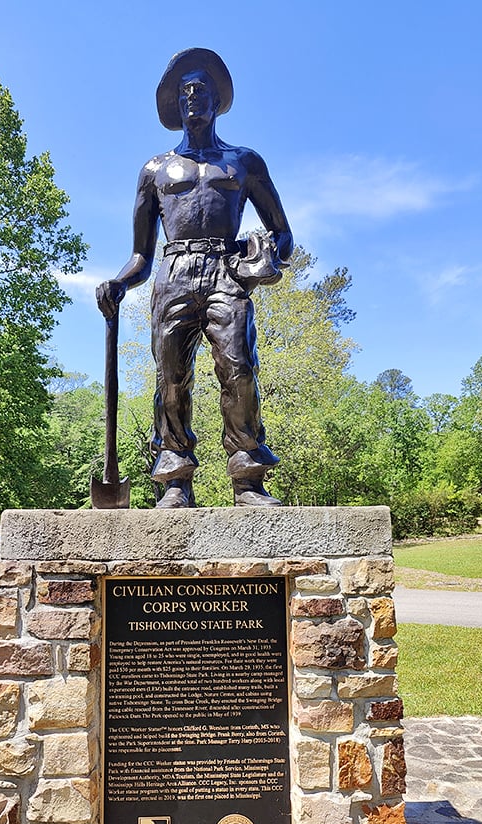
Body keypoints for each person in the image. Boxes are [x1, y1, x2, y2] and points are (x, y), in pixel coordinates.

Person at [96, 48, 293, 509]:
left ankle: (248, 479)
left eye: (201, 88)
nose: (192, 96)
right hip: (174, 273)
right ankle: (175, 480)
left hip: (227, 271)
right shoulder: (155, 170)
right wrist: (119, 283)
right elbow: (141, 254)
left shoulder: (245, 163)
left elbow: (284, 235)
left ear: (216, 98)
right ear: (174, 104)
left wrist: (264, 255)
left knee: (240, 371)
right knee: (170, 376)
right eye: (184, 91)